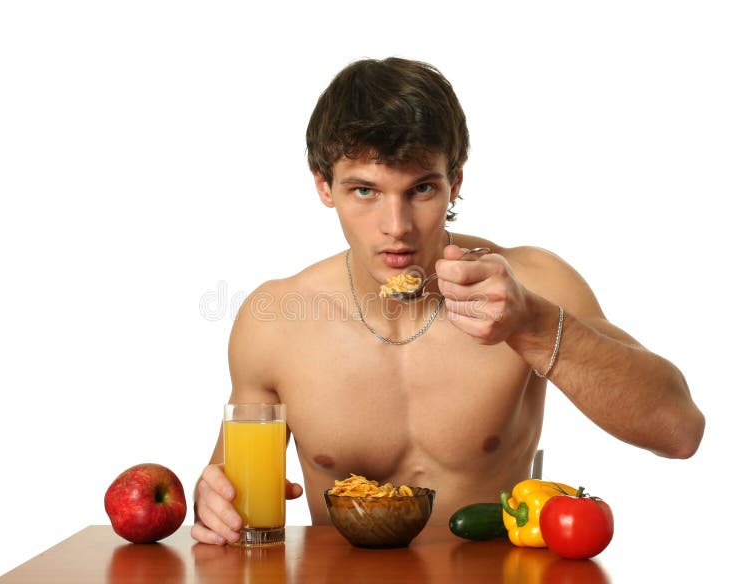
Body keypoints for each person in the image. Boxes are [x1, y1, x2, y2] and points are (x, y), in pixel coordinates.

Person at [191, 57, 705, 545]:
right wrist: (214, 504)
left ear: (455, 182)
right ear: (324, 187)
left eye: (420, 189)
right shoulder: (275, 321)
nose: (396, 227)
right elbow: (229, 498)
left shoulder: (533, 284)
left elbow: (679, 430)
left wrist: (533, 324)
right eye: (365, 191)